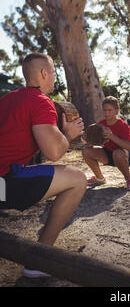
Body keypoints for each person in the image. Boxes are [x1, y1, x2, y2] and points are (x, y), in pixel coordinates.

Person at [0, 53, 86, 278]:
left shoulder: (7, 99)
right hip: (2, 185)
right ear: (44, 74)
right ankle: (39, 260)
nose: (54, 78)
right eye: (54, 73)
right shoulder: (40, 101)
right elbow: (55, 152)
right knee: (77, 179)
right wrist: (68, 133)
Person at [83, 96, 130, 191]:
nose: (106, 113)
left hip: (126, 156)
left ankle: (129, 179)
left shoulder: (123, 125)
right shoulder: (101, 124)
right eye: (104, 110)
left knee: (117, 152)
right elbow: (95, 142)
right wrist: (87, 138)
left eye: (110, 110)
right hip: (109, 154)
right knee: (86, 151)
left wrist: (111, 136)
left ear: (116, 111)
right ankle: (99, 178)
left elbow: (129, 147)